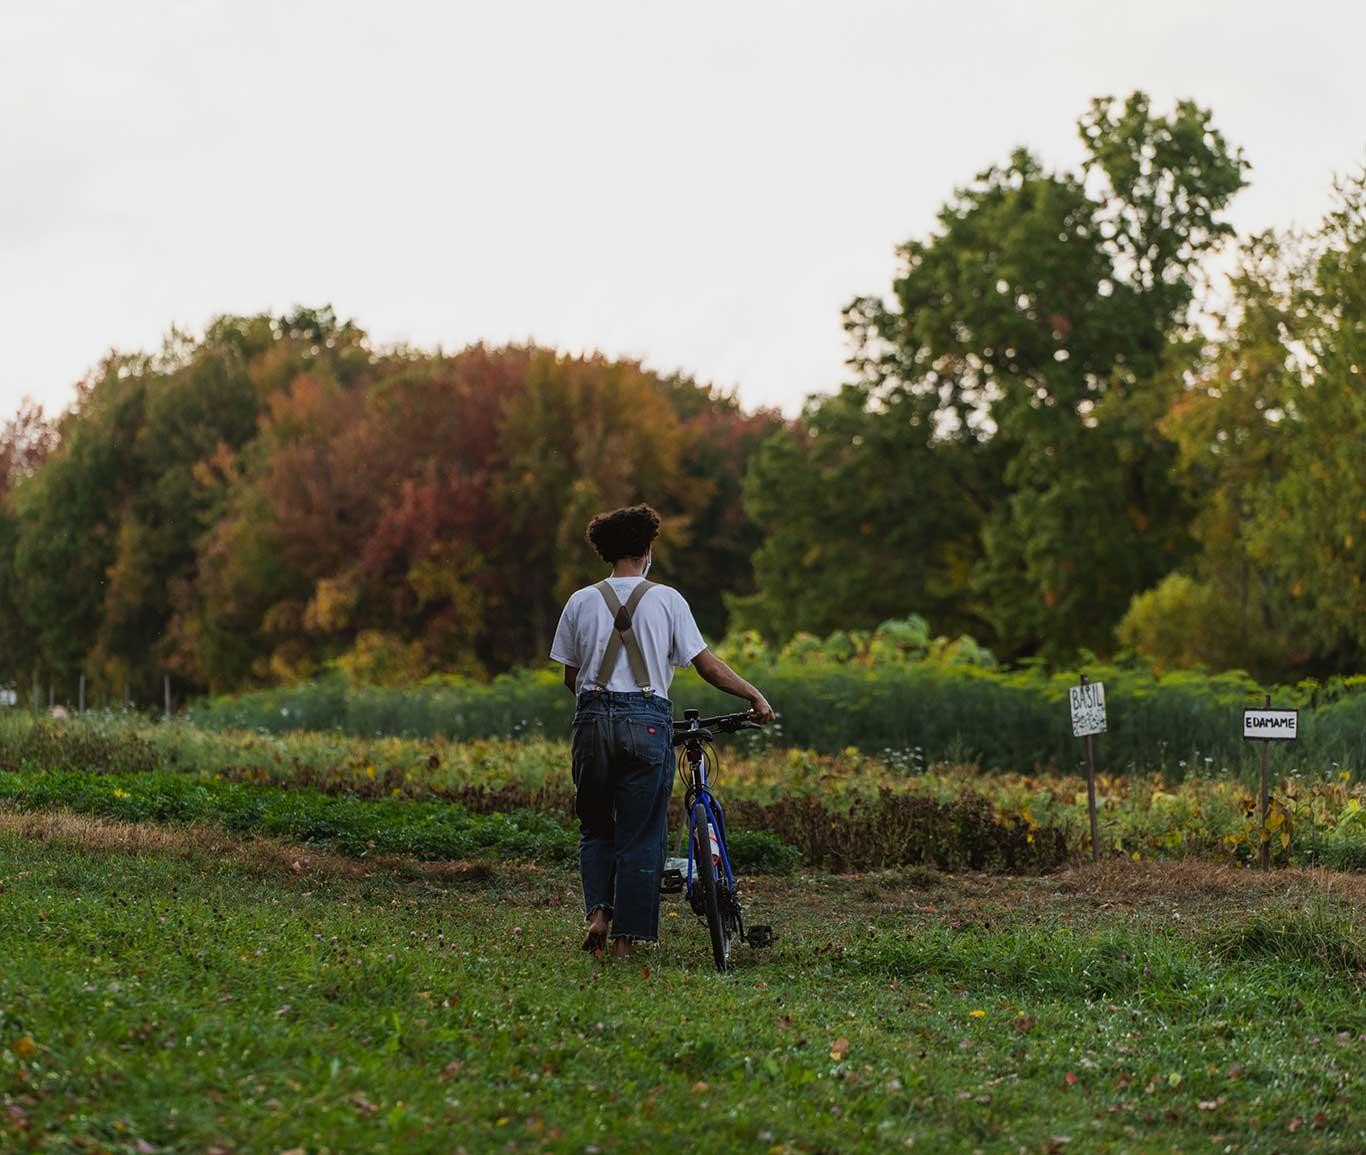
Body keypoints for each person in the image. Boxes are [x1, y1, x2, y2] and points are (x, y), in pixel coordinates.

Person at [550, 504, 775, 960]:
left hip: (591, 719)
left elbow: (571, 679)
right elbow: (706, 666)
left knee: (596, 827)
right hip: (647, 719)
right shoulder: (668, 600)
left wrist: (601, 705)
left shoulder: (580, 601)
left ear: (608, 553)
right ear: (647, 550)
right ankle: (625, 944)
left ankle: (598, 913)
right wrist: (753, 695)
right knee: (641, 832)